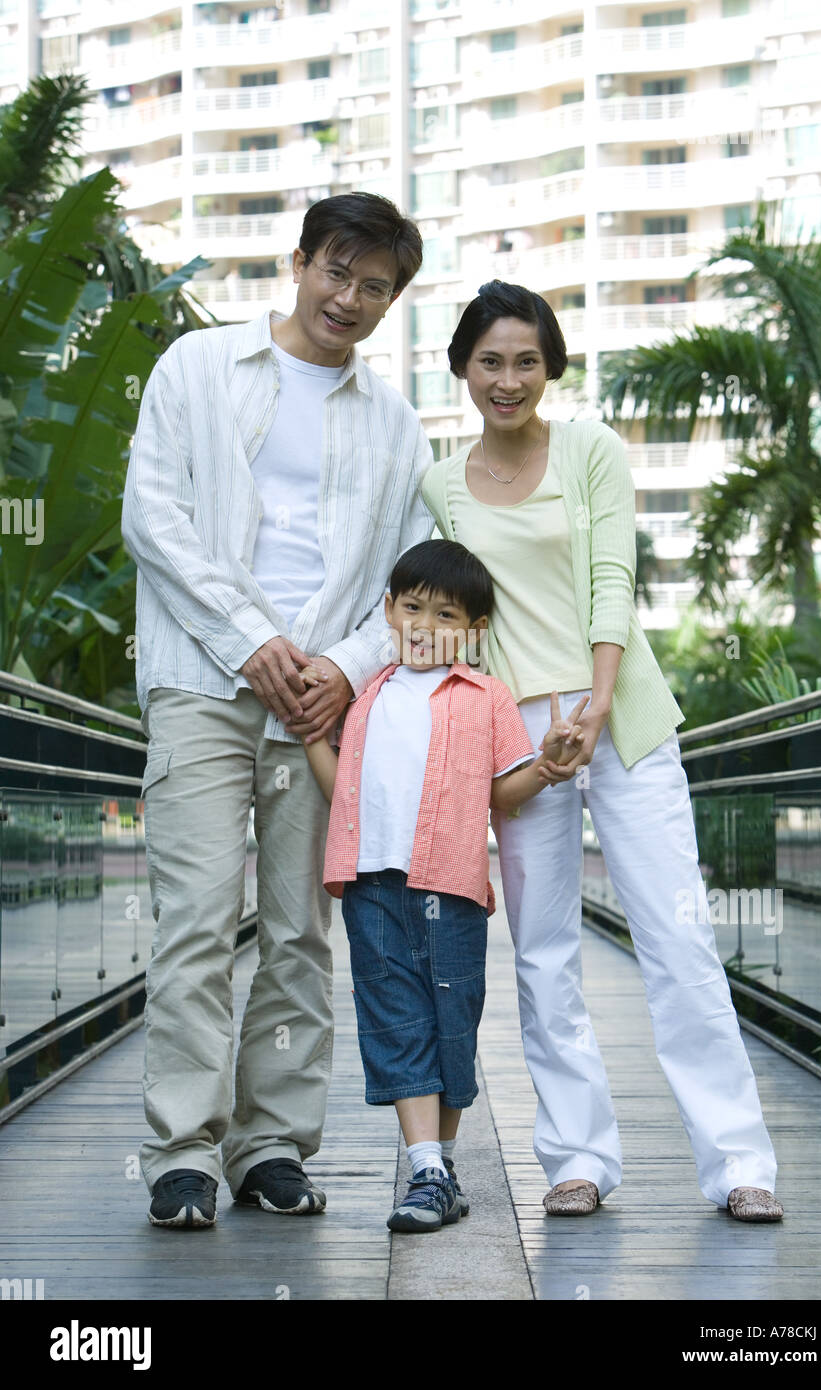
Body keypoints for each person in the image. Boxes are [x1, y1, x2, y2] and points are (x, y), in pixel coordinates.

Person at [420, 281, 783, 1224]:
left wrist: (595, 701)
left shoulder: (588, 449)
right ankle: (577, 1158)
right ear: (462, 366)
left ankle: (740, 1165)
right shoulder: (441, 482)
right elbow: (454, 618)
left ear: (552, 366)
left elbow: (611, 578)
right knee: (542, 958)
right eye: (490, 361)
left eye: (526, 361)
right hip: (518, 739)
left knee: (676, 939)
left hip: (617, 721)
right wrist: (527, 739)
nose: (508, 380)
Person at [121, 192, 434, 1228]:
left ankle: (271, 1146)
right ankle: (183, 1151)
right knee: (199, 924)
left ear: (392, 302)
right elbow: (152, 518)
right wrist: (248, 642)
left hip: (318, 708)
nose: (350, 297)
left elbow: (407, 580)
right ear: (297, 261)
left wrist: (343, 668)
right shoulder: (198, 369)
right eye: (336, 271)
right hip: (204, 683)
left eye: (375, 286)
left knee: (301, 933)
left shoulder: (393, 422)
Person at [301, 538, 588, 1232]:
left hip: (451, 889)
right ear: (389, 614)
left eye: (448, 615)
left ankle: (443, 1166)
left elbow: (501, 793)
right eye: (413, 607)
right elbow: (342, 791)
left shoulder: (485, 698)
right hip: (370, 886)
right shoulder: (366, 699)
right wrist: (307, 734)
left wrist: (547, 766)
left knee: (449, 1022)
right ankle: (425, 1167)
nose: (427, 625)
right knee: (394, 1019)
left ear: (475, 632)